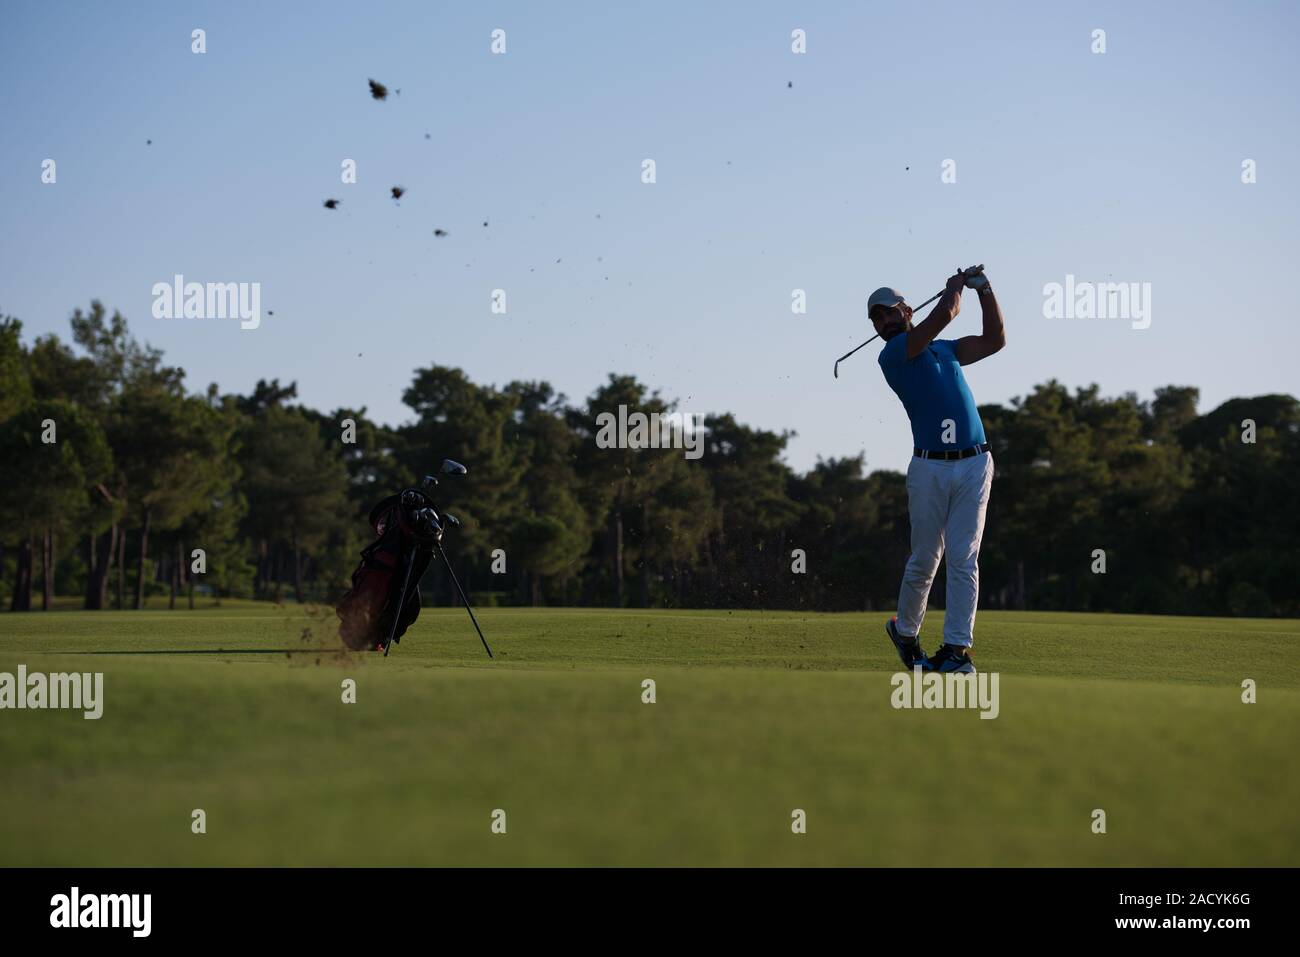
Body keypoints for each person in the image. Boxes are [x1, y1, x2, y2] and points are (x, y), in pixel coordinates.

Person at [869, 266, 1005, 674]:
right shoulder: (893, 353)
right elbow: (944, 314)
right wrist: (954, 288)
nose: (883, 322)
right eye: (877, 318)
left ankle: (956, 651)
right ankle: (906, 634)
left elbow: (995, 341)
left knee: (964, 558)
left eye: (890, 312)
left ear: (906, 310)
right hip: (929, 467)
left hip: (975, 462)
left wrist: (984, 291)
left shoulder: (944, 350)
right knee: (927, 558)